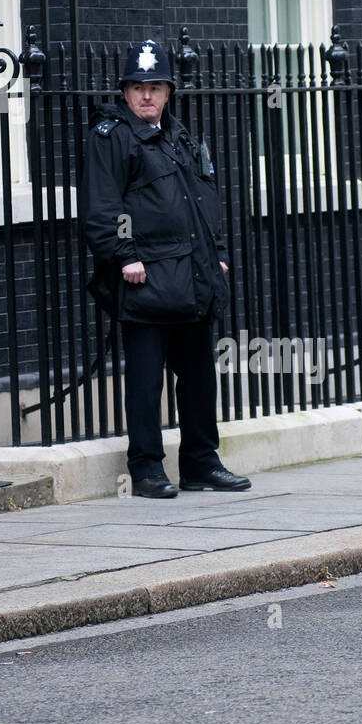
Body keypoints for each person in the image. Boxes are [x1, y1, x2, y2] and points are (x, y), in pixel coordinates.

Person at [81, 38, 251, 498]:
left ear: (169, 91)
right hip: (146, 276)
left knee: (198, 376)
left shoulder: (179, 135)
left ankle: (200, 463)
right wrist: (124, 255)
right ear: (124, 92)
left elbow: (203, 199)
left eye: (155, 87)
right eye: (137, 87)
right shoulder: (111, 136)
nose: (146, 96)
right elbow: (101, 206)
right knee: (145, 379)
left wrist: (216, 250)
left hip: (192, 274)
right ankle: (147, 470)